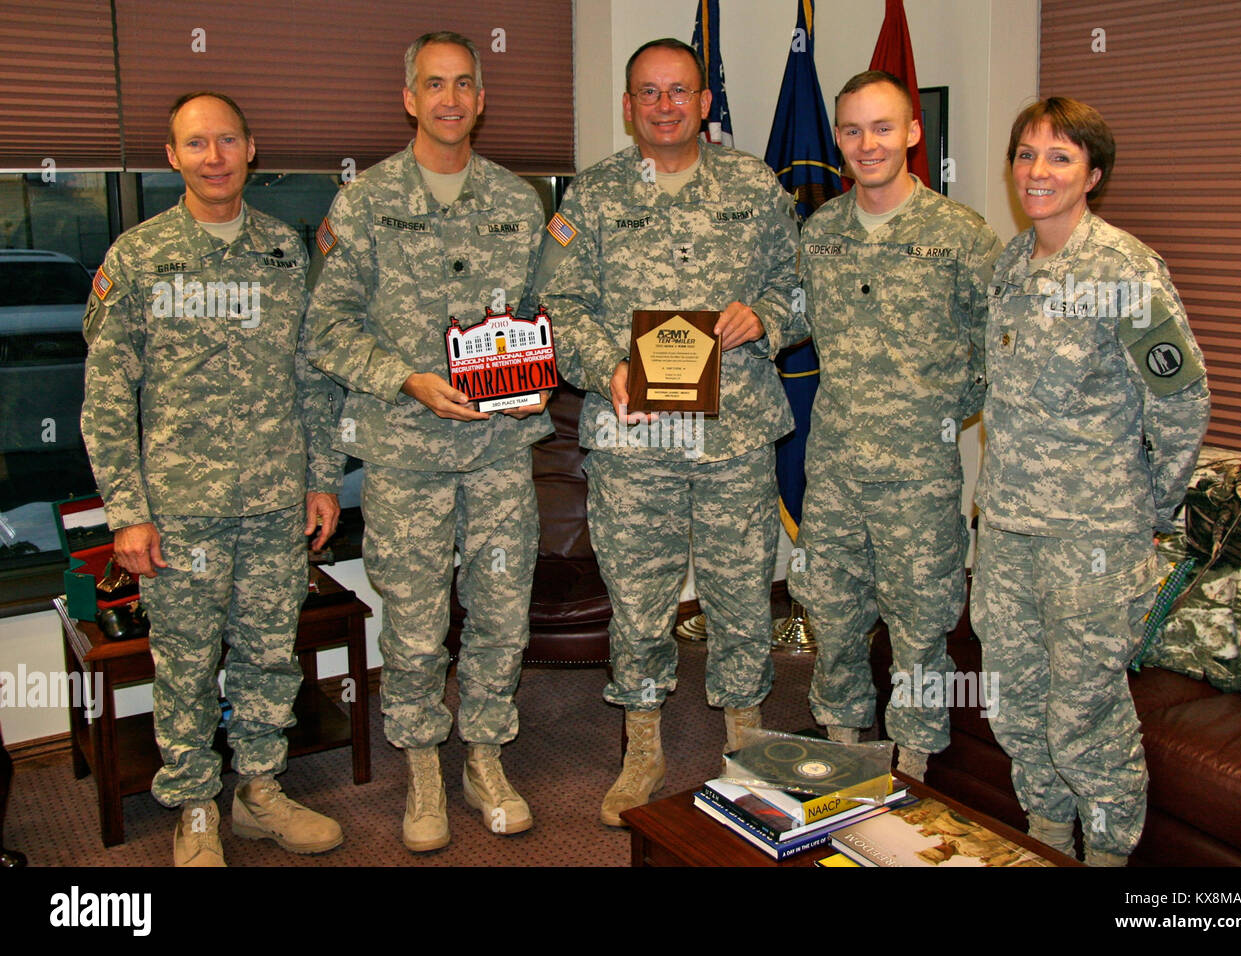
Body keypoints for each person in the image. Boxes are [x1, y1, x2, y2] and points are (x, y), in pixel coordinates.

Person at [535, 37, 803, 826]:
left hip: (735, 435)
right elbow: (559, 308)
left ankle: (746, 739)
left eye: (679, 91)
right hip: (634, 438)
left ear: (704, 102)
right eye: (647, 93)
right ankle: (643, 745)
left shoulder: (755, 187)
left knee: (741, 596)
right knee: (640, 598)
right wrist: (606, 365)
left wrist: (770, 317)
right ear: (628, 106)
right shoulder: (591, 196)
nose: (664, 105)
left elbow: (799, 286)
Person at [81, 92, 346, 866]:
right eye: (196, 144)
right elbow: (105, 397)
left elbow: (310, 376)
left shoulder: (283, 251)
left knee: (269, 655)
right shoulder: (138, 257)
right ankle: (196, 807)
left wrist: (322, 477)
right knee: (187, 664)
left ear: (251, 148)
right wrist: (126, 512)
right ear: (173, 157)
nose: (214, 157)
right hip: (179, 512)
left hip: (274, 503)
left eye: (227, 140)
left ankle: (260, 792)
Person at [304, 31, 549, 852]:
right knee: (411, 623)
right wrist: (404, 377)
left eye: (464, 85)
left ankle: (483, 755)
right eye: (433, 85)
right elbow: (326, 330)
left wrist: (540, 370)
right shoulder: (364, 203)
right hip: (406, 455)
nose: (449, 99)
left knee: (501, 615)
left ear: (482, 99)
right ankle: (422, 765)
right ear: (410, 99)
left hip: (499, 455)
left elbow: (546, 318)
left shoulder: (520, 203)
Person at [971, 97, 1210, 865]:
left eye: (1060, 157)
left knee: (1084, 713)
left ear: (1092, 175)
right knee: (1013, 700)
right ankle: (1046, 839)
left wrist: (1153, 507)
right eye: (1027, 154)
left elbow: (1181, 399)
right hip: (1006, 530)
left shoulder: (1124, 269)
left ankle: (1107, 856)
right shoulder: (1009, 264)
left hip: (1092, 541)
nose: (1037, 172)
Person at [788, 71, 1002, 781]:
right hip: (837, 474)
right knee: (835, 621)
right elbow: (789, 322)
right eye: (851, 129)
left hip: (919, 479)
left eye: (883, 127)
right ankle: (843, 756)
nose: (865, 143)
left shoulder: (963, 235)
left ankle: (912, 771)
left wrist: (933, 409)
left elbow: (993, 351)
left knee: (920, 629)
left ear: (912, 133)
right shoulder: (819, 234)